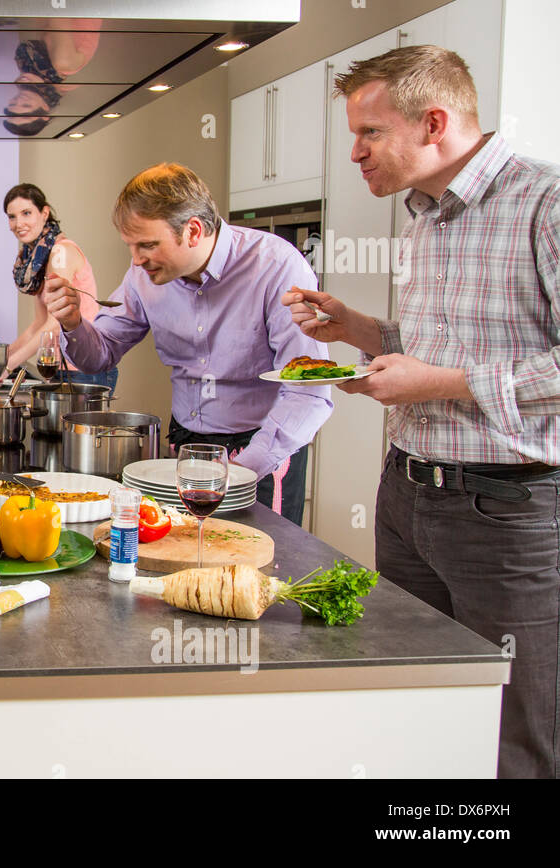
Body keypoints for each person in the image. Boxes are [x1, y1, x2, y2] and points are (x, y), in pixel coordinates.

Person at [282, 45, 560, 778]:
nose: (354, 152)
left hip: (507, 510)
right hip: (407, 493)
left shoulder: (547, 202)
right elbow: (431, 348)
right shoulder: (424, 215)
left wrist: (436, 382)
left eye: (368, 133)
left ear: (433, 122)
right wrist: (354, 330)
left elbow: (449, 372)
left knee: (516, 735)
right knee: (416, 702)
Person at [45, 163, 333, 524]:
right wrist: (73, 322)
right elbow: (99, 354)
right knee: (186, 562)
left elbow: (310, 393)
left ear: (193, 231)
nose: (136, 260)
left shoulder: (276, 267)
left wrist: (242, 470)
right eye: (131, 247)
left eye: (148, 245)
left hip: (261, 448)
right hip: (183, 447)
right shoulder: (143, 275)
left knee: (255, 573)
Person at [0, 182, 116, 393]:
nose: (19, 223)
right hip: (60, 367)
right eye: (12, 216)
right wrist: (2, 357)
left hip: (82, 368)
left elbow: (55, 324)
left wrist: (10, 365)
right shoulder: (38, 259)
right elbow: (39, 324)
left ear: (44, 213)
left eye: (27, 213)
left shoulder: (61, 252)